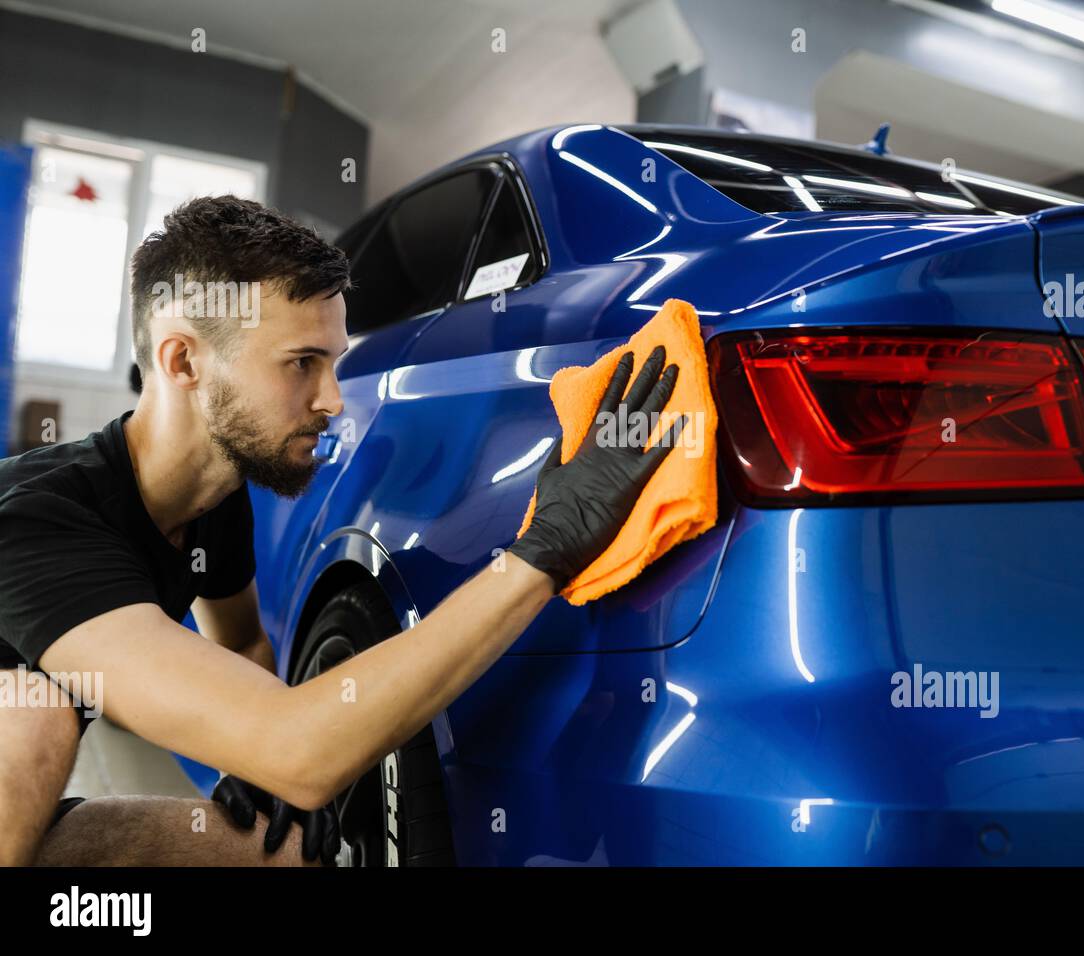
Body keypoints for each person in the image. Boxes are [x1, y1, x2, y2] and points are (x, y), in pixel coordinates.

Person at [0, 196, 683, 866]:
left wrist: (247, 758)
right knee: (33, 708)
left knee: (281, 851)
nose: (331, 400)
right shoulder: (38, 521)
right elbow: (302, 752)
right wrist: (540, 553)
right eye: (302, 363)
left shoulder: (213, 498)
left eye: (333, 362)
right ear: (183, 363)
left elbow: (238, 641)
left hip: (39, 822)